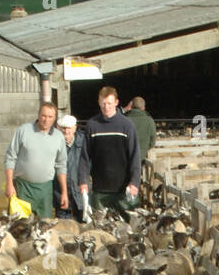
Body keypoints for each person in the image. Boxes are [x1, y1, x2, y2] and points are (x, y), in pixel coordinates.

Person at [78, 85, 141, 220]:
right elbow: (84, 156)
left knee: (129, 229)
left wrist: (134, 182)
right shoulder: (92, 125)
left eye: (109, 103)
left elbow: (135, 156)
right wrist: (83, 180)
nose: (106, 107)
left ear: (117, 102)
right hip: (100, 189)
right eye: (103, 104)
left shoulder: (127, 125)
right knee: (99, 231)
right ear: (99, 103)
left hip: (124, 190)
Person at [4, 101, 68, 218]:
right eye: (44, 116)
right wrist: (9, 183)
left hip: (45, 190)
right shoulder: (23, 131)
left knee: (45, 227)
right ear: (38, 114)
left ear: (54, 118)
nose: (46, 120)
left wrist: (64, 192)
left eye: (50, 117)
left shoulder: (58, 137)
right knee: (19, 227)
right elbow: (10, 157)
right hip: (23, 188)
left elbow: (61, 165)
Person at [55, 114, 91, 224]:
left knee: (84, 225)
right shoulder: (53, 143)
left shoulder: (85, 142)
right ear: (58, 127)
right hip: (60, 190)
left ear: (75, 128)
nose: (66, 131)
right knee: (63, 226)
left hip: (80, 190)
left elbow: (91, 164)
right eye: (63, 128)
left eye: (69, 128)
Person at [124, 96, 157, 162]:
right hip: (141, 156)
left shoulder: (124, 120)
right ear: (143, 108)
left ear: (131, 106)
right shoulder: (149, 120)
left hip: (126, 157)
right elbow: (152, 142)